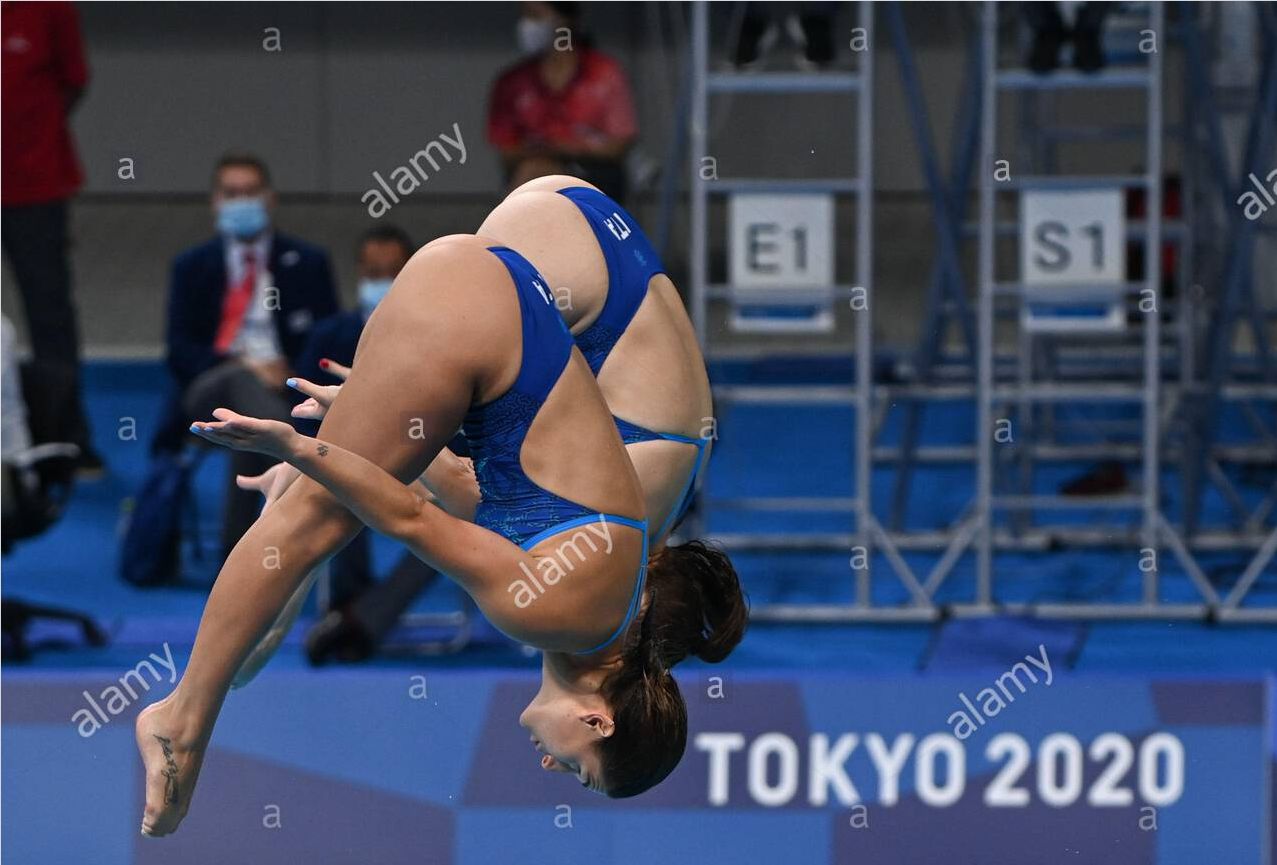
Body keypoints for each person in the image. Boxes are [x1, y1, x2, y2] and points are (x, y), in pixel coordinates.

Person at [135, 236, 746, 836]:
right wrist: (301, 449)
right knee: (309, 529)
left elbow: (461, 487)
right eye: (577, 772)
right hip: (482, 309)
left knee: (314, 523)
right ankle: (183, 720)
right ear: (599, 722)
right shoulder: (551, 617)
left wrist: (370, 418)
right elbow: (409, 520)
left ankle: (276, 539)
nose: (547, 764)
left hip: (514, 278)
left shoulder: (608, 597)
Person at [240, 176, 727, 679]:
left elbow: (452, 466)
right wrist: (329, 455)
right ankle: (287, 564)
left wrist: (343, 440)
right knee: (329, 506)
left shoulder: (668, 502)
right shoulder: (611, 544)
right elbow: (444, 494)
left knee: (409, 387)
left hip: (585, 225)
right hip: (575, 279)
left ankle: (298, 500)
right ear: (641, 603)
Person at [163, 152, 338, 559]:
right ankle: (270, 544)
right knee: (247, 394)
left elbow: (329, 343)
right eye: (231, 193)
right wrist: (243, 367)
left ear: (270, 199)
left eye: (250, 192)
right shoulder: (192, 266)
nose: (241, 200)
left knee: (256, 423)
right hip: (211, 387)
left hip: (287, 391)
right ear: (215, 202)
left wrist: (291, 372)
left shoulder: (309, 263)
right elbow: (179, 351)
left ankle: (242, 557)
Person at [1, 1, 101, 473]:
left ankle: (67, 438)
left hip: (35, 189)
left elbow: (74, 80)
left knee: (50, 315)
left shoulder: (50, 8)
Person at [487, 2, 637, 203]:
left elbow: (618, 144)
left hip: (595, 177)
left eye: (535, 15)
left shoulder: (604, 74)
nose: (526, 25)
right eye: (524, 16)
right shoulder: (513, 82)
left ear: (565, 22)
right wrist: (543, 155)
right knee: (534, 171)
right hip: (528, 175)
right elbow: (506, 149)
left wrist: (562, 149)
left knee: (539, 175)